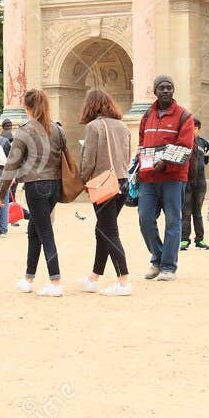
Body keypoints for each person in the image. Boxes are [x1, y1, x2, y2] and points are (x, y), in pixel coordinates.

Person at [0, 88, 66, 296]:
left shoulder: (25, 130)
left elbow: (11, 164)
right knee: (35, 230)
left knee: (44, 231)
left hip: (35, 185)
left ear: (27, 107)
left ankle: (55, 281)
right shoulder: (57, 129)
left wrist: (1, 194)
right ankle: (29, 278)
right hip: (54, 185)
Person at [134, 74, 196, 281]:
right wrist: (141, 159)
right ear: (155, 91)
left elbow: (186, 146)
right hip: (148, 177)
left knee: (172, 221)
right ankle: (157, 258)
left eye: (169, 87)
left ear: (173, 90)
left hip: (173, 177)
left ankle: (168, 266)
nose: (166, 90)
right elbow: (142, 142)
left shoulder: (183, 116)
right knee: (145, 219)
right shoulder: (146, 116)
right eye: (162, 87)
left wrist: (166, 163)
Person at [75, 88, 132, 296]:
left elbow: (88, 160)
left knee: (109, 232)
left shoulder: (94, 127)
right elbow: (126, 156)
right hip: (123, 182)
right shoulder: (123, 126)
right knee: (103, 230)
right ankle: (94, 277)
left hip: (103, 183)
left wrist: (83, 181)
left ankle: (123, 281)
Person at [183, 119, 209, 251]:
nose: (192, 130)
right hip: (186, 182)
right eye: (190, 128)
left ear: (198, 129)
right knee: (185, 212)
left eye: (195, 128)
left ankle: (200, 239)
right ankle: (184, 239)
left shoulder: (204, 143)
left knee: (198, 212)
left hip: (200, 182)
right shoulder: (183, 142)